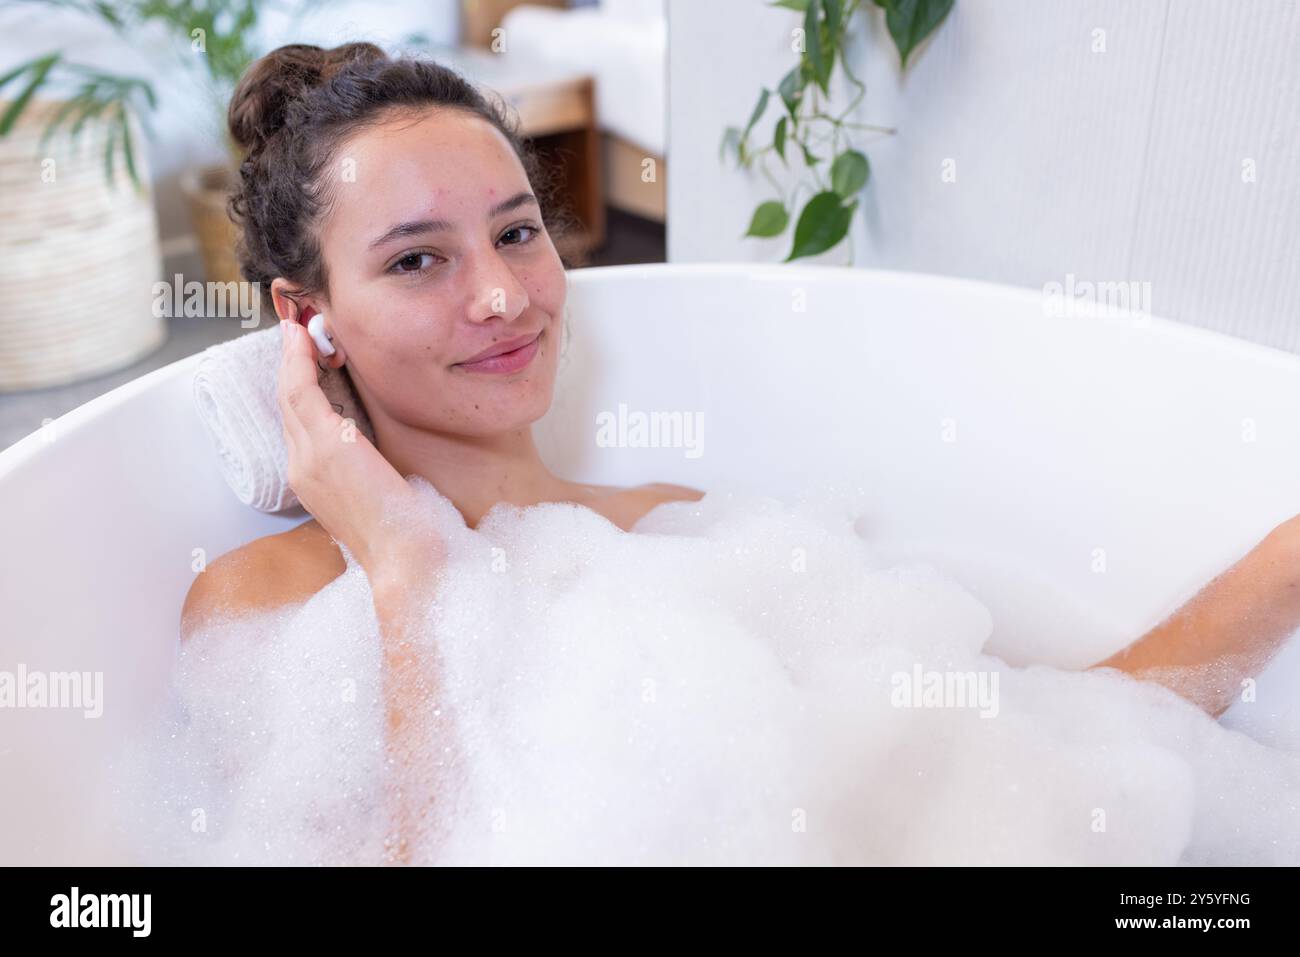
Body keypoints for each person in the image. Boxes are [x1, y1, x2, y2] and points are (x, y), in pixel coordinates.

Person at [182, 42, 1299, 860]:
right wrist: (404, 570)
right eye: (417, 261)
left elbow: (1057, 741)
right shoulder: (271, 609)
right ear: (305, 317)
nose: (500, 295)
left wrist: (1284, 561)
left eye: (517, 233)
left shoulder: (683, 532)